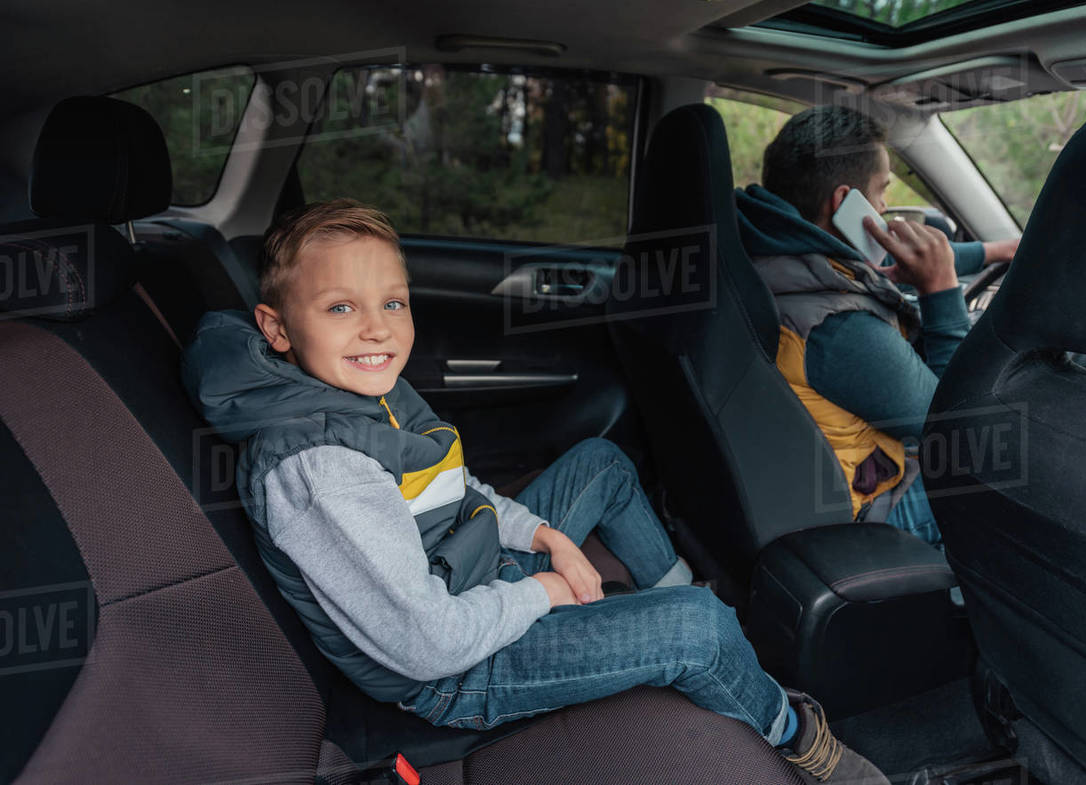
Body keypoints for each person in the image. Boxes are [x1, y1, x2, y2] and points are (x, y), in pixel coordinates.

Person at [181, 199, 888, 783]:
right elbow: (429, 644)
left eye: (392, 301)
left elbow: (455, 484)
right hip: (457, 668)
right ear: (275, 328)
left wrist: (543, 536)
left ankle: (672, 598)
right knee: (698, 630)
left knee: (601, 465)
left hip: (469, 568)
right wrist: (547, 589)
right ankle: (795, 733)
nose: (377, 327)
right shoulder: (318, 467)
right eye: (341, 308)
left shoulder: (364, 391)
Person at [737, 106, 1019, 544]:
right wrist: (941, 293)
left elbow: (889, 259)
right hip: (868, 514)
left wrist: (997, 250)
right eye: (882, 193)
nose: (885, 209)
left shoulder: (769, 254)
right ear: (845, 202)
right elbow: (959, 434)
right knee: (1012, 471)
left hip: (792, 487)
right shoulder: (839, 327)